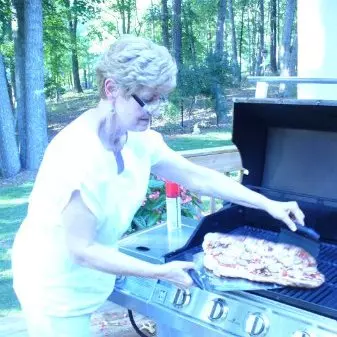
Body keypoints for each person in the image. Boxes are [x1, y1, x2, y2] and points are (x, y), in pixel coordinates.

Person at [11, 35, 305, 337]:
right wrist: (158, 272)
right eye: (148, 99)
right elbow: (82, 250)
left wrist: (268, 203)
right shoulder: (77, 155)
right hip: (53, 285)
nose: (156, 109)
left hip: (90, 276)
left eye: (161, 98)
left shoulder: (138, 138)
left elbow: (197, 176)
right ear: (112, 89)